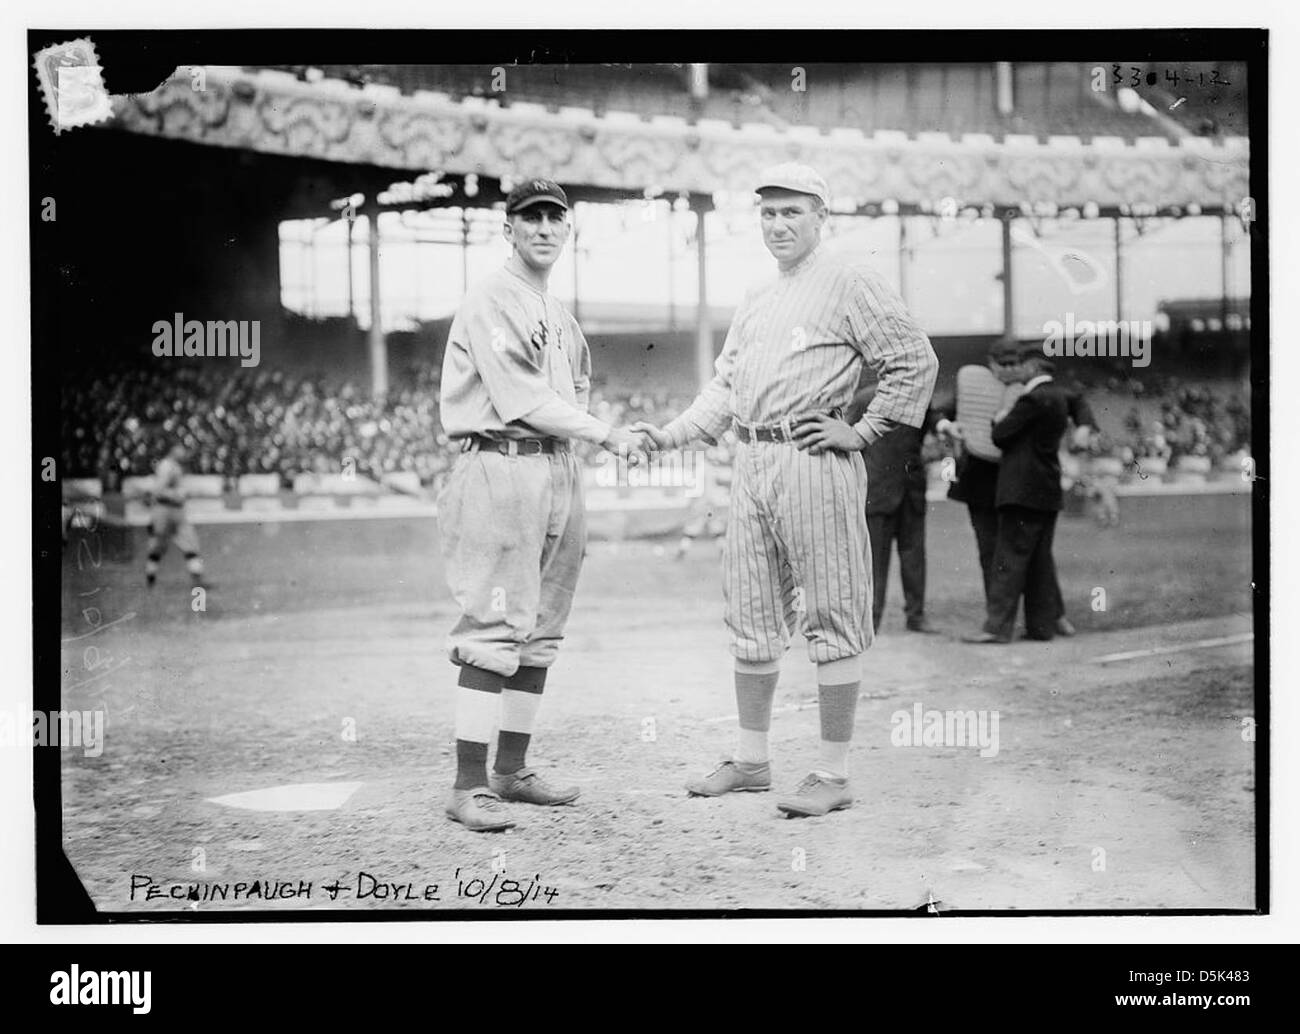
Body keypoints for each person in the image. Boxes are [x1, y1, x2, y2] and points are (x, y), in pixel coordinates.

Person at [634, 163, 938, 818]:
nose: (778, 224)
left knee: (831, 612)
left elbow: (915, 357)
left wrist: (863, 431)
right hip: (752, 458)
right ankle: (750, 761)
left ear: (820, 215)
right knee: (750, 614)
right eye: (769, 213)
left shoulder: (850, 278)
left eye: (792, 212)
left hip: (810, 458)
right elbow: (723, 389)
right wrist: (668, 437)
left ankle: (833, 773)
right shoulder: (757, 296)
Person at [436, 177, 648, 832]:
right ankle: (469, 785)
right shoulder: (492, 298)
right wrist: (607, 433)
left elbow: (575, 387)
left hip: (556, 468)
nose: (544, 227)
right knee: (494, 626)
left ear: (568, 228)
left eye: (555, 216)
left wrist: (580, 442)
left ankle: (510, 769)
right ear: (509, 228)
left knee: (542, 630)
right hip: (501, 464)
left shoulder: (560, 315)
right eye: (530, 217)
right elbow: (524, 400)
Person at [962, 345, 1074, 644]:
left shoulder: (1030, 399)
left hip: (1021, 490)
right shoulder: (1059, 397)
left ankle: (996, 628)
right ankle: (1042, 627)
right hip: (1047, 490)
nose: (1018, 370)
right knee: (1038, 561)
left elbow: (1000, 436)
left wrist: (999, 418)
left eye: (1023, 365)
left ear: (1035, 368)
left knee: (1007, 561)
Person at [846, 383, 936, 634]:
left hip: (911, 490)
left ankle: (916, 617)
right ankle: (871, 620)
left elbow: (925, 429)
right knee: (873, 559)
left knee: (914, 556)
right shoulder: (864, 398)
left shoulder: (920, 395)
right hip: (876, 490)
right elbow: (848, 439)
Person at [144, 443, 205, 590]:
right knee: (159, 545)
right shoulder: (167, 466)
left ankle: (197, 581)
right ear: (172, 449)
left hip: (175, 510)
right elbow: (158, 491)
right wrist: (178, 494)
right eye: (180, 449)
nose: (183, 452)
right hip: (165, 510)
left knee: (190, 542)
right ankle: (150, 579)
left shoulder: (174, 466)